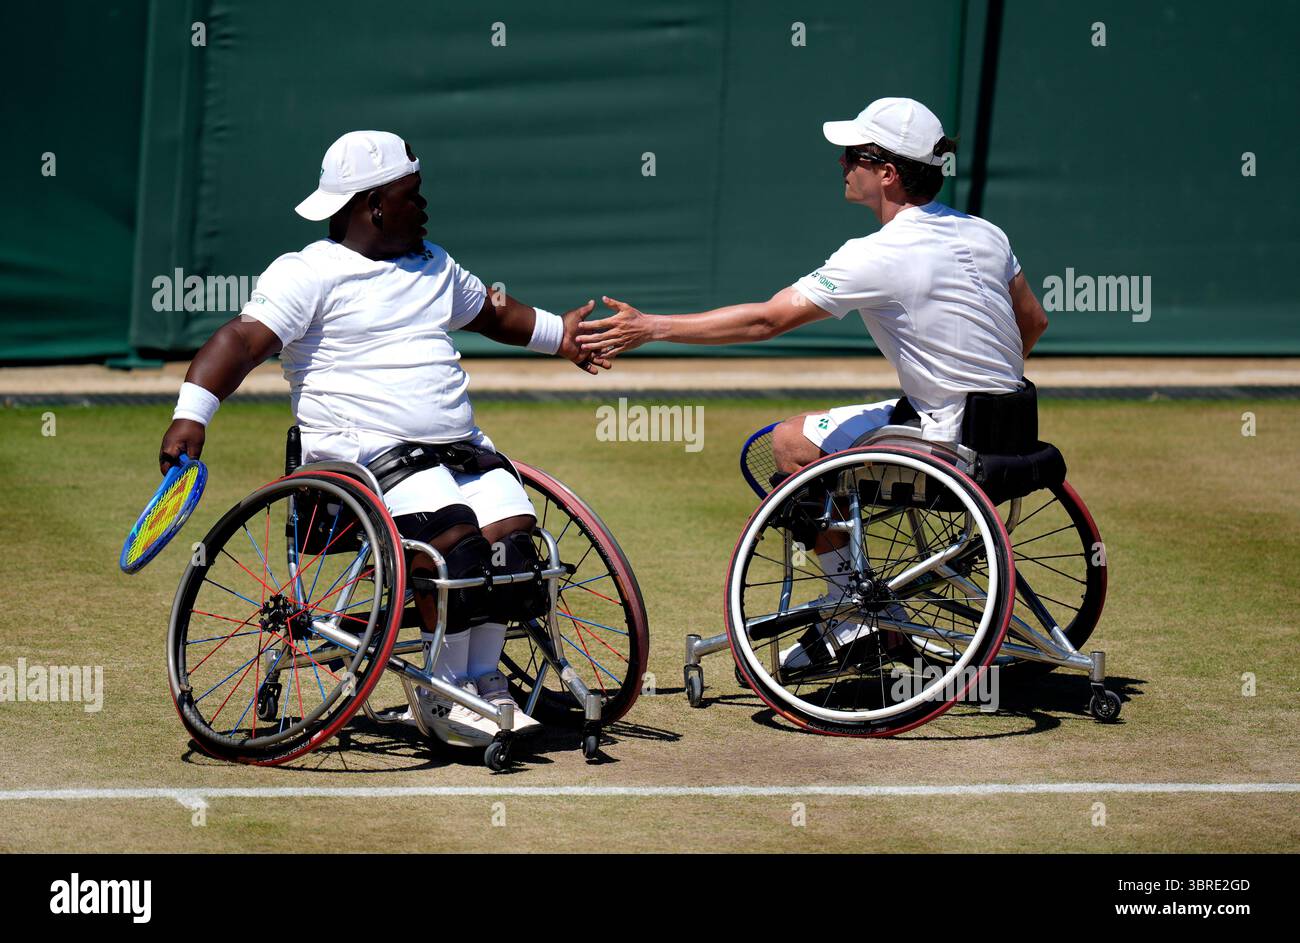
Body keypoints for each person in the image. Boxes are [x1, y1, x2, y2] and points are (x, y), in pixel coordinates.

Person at [158, 130, 608, 746]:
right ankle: (441, 691)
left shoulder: (434, 264)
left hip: (460, 451)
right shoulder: (308, 273)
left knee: (512, 545)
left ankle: (481, 684)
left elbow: (495, 314)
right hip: (367, 462)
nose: (423, 205)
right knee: (456, 547)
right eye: (410, 194)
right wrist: (192, 413)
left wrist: (562, 335)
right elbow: (239, 341)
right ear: (372, 205)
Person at [576, 96, 1049, 674]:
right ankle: (863, 607)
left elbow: (766, 320)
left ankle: (854, 616)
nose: (842, 164)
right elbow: (1034, 323)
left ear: (887, 173)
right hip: (1015, 433)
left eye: (852, 155)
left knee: (788, 444)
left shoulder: (874, 255)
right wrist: (980, 385)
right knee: (845, 431)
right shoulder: (986, 233)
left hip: (948, 444)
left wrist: (653, 327)